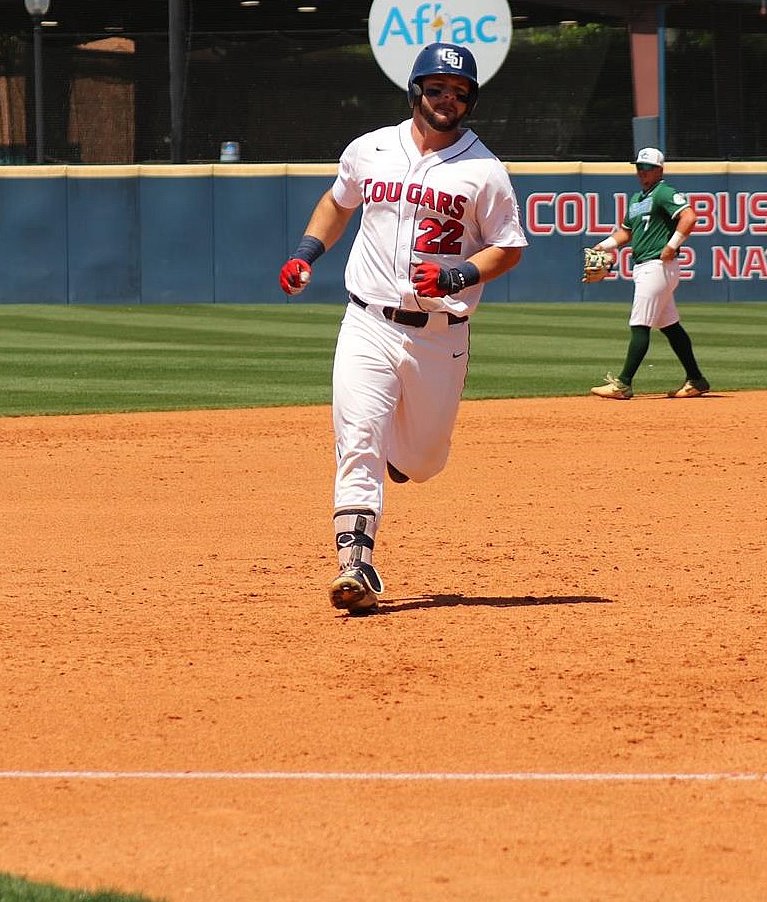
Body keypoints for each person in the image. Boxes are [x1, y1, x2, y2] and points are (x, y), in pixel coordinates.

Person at [278, 42, 528, 612]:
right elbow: (339, 203)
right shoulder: (370, 149)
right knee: (357, 439)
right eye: (438, 88)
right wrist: (306, 253)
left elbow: (508, 248)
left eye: (460, 93)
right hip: (366, 320)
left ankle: (403, 457)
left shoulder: (483, 170)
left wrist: (460, 273)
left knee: (423, 461)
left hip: (438, 334)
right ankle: (355, 563)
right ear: (416, 90)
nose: (448, 100)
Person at [588, 147, 710, 400]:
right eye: (638, 168)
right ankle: (696, 379)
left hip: (658, 266)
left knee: (639, 324)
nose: (641, 173)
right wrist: (604, 245)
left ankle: (623, 384)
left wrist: (672, 245)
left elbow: (689, 216)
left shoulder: (664, 192)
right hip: (645, 266)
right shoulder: (636, 199)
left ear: (659, 170)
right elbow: (627, 233)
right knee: (670, 327)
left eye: (646, 168)